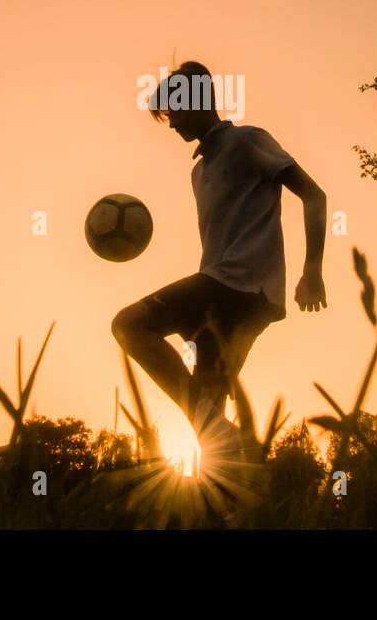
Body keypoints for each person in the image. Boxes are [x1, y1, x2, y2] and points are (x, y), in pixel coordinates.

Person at [111, 61, 327, 462]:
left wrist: (312, 269)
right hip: (233, 297)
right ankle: (236, 495)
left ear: (200, 99)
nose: (171, 123)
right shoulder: (198, 172)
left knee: (129, 324)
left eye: (174, 110)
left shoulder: (247, 141)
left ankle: (221, 436)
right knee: (210, 421)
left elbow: (314, 195)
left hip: (238, 286)